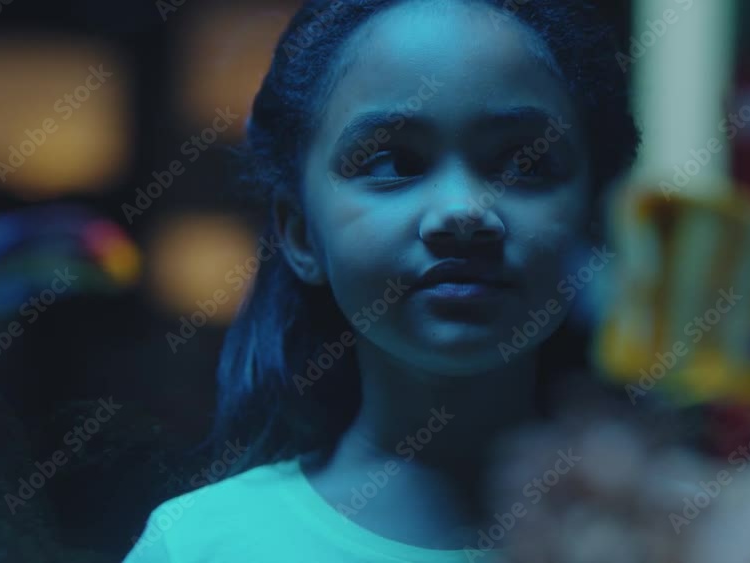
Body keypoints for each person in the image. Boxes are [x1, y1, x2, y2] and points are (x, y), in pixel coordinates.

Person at [124, 0, 637, 560]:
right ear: (299, 234)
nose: (463, 211)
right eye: (393, 163)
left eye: (523, 162)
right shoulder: (203, 546)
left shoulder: (683, 532)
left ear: (593, 216)